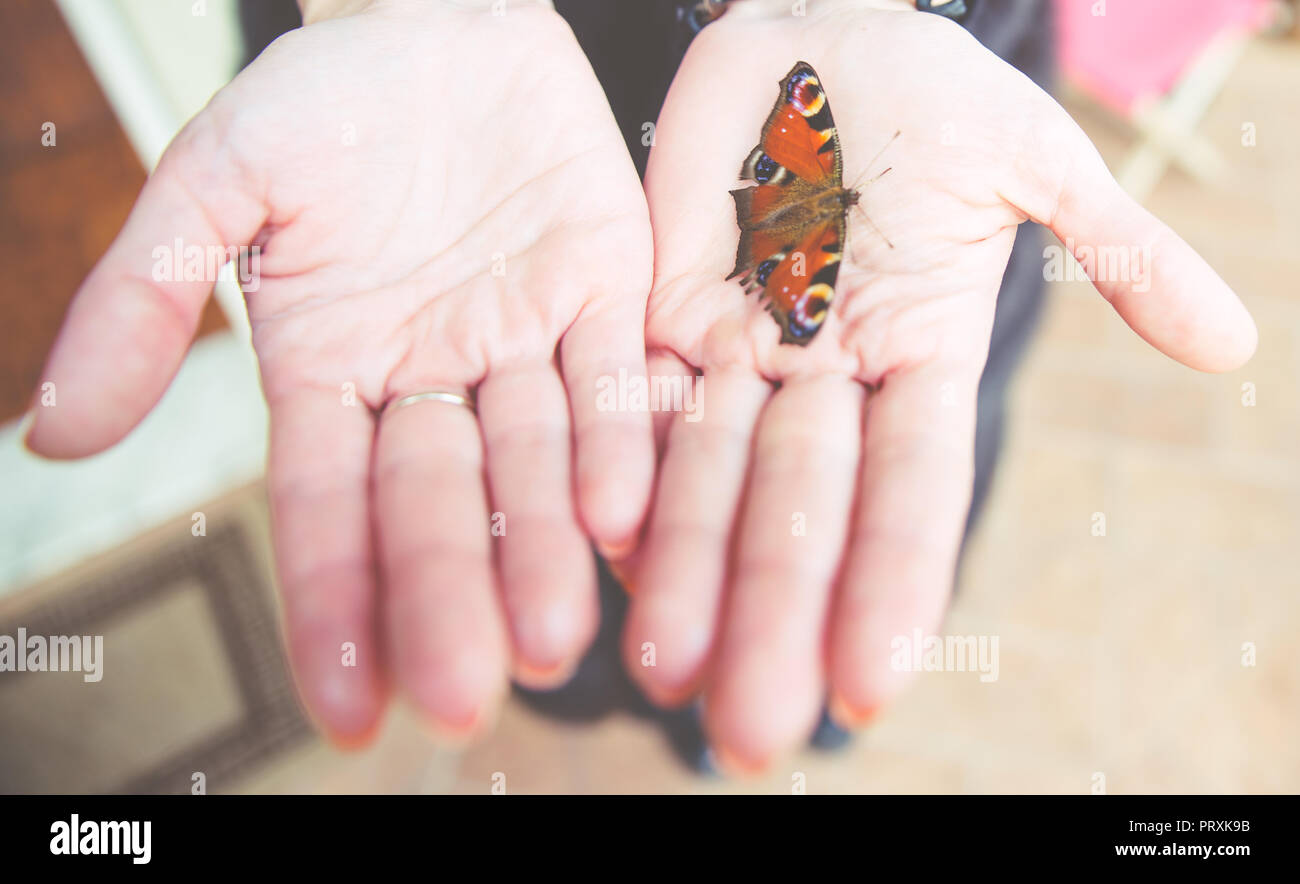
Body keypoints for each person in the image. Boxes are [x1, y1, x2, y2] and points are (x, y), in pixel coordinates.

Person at [28, 0, 1256, 775]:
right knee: (549, 545)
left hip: (908, 75)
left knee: (815, 527)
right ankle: (603, 715)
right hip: (445, 78)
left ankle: (734, 727)